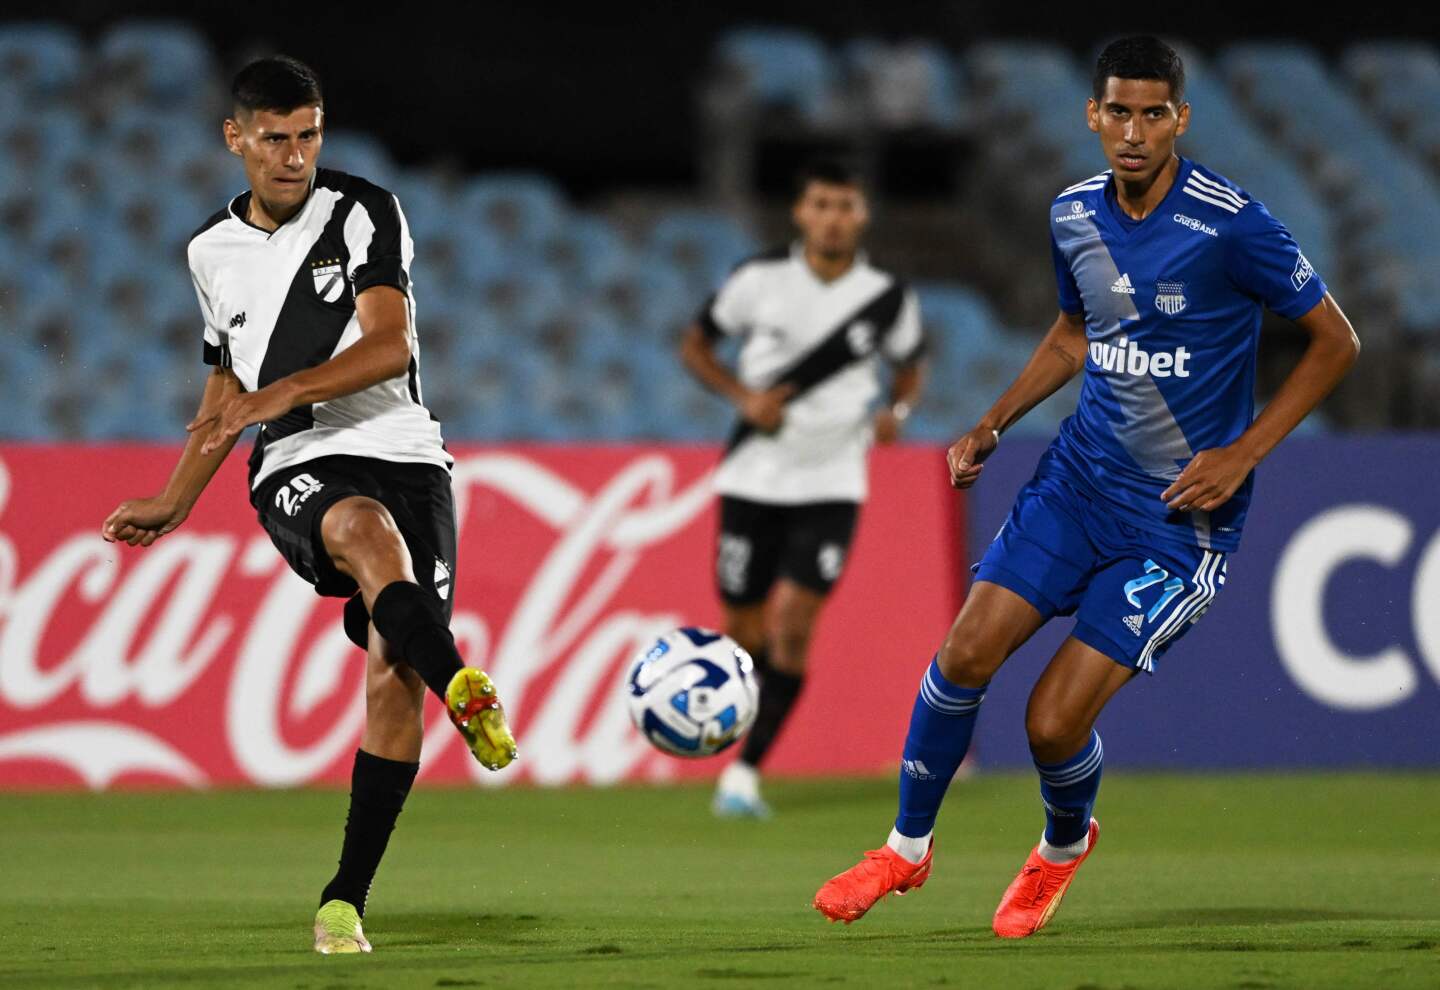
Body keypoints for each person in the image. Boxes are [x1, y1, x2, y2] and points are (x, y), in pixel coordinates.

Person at [812, 36, 1360, 936]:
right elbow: (1076, 330)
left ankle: (1063, 846)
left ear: (1180, 119)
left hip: (1180, 523)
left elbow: (1337, 340)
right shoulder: (1072, 213)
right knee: (963, 656)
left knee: (1050, 725)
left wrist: (1244, 453)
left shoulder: (1233, 225)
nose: (1134, 132)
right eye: (1119, 112)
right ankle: (905, 850)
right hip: (1075, 485)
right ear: (1092, 115)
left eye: (1153, 114)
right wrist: (990, 420)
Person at [100, 55, 518, 955]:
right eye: (276, 139)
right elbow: (223, 385)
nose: (294, 156)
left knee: (389, 670)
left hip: (406, 450)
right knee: (364, 536)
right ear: (236, 139)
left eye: (309, 136)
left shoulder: (362, 209)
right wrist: (175, 501)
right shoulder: (209, 251)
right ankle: (466, 684)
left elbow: (387, 348)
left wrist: (269, 392)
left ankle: (344, 901)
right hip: (297, 455)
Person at [679, 160, 928, 818]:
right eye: (822, 204)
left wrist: (895, 415)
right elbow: (696, 344)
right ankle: (727, 729)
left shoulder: (887, 297)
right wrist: (741, 396)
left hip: (833, 481)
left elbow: (910, 366)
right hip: (753, 475)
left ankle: (744, 772)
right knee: (742, 629)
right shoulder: (758, 280)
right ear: (801, 212)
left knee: (793, 626)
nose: (834, 217)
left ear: (863, 214)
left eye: (846, 205)